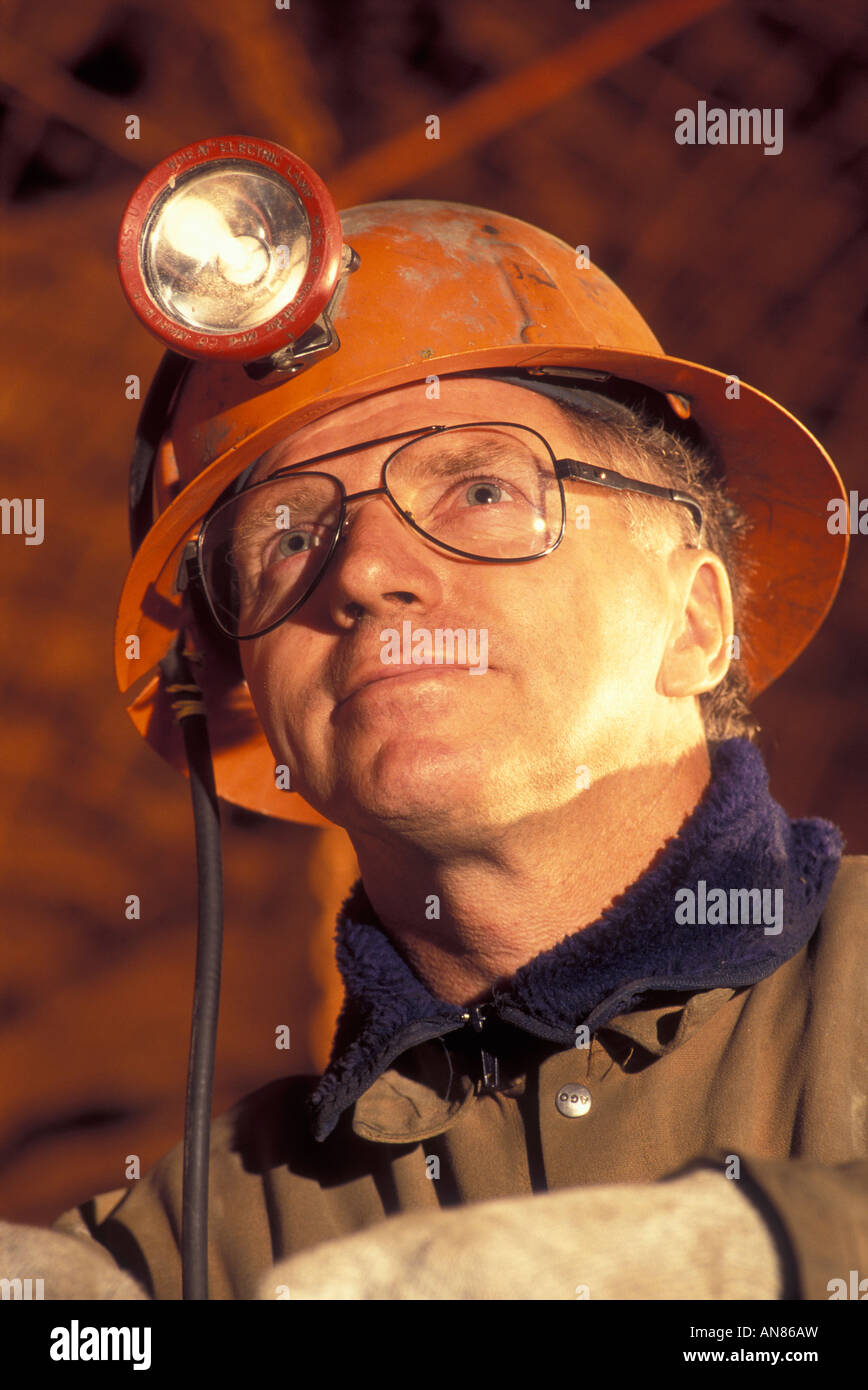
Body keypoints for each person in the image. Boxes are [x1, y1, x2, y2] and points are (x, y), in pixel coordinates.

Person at [7, 135, 867, 1301]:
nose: (362, 572)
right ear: (250, 695)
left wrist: (775, 1261)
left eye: (479, 485)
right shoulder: (201, 1238)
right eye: (288, 537)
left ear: (696, 618)